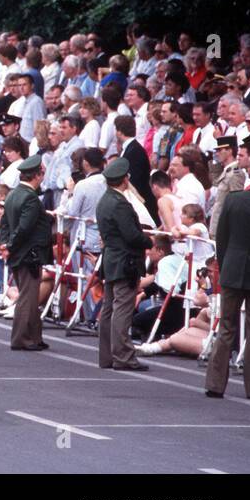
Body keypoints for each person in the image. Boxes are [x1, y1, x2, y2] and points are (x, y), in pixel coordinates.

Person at [205, 159, 250, 399]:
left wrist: (225, 262)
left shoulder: (234, 199)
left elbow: (222, 236)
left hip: (233, 267)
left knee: (226, 327)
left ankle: (215, 383)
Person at [95, 158, 152, 372]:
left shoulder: (104, 201)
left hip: (111, 259)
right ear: (125, 179)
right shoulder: (120, 204)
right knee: (122, 309)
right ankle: (123, 355)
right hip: (125, 261)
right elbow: (132, 236)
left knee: (109, 309)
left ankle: (108, 355)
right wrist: (148, 241)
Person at [0, 154, 51, 351]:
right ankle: (22, 338)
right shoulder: (30, 198)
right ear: (37, 175)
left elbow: (5, 224)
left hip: (19, 253)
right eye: (42, 174)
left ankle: (34, 335)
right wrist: (10, 245)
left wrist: (5, 244)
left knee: (28, 295)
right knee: (28, 298)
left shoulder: (13, 194)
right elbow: (25, 227)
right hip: (28, 253)